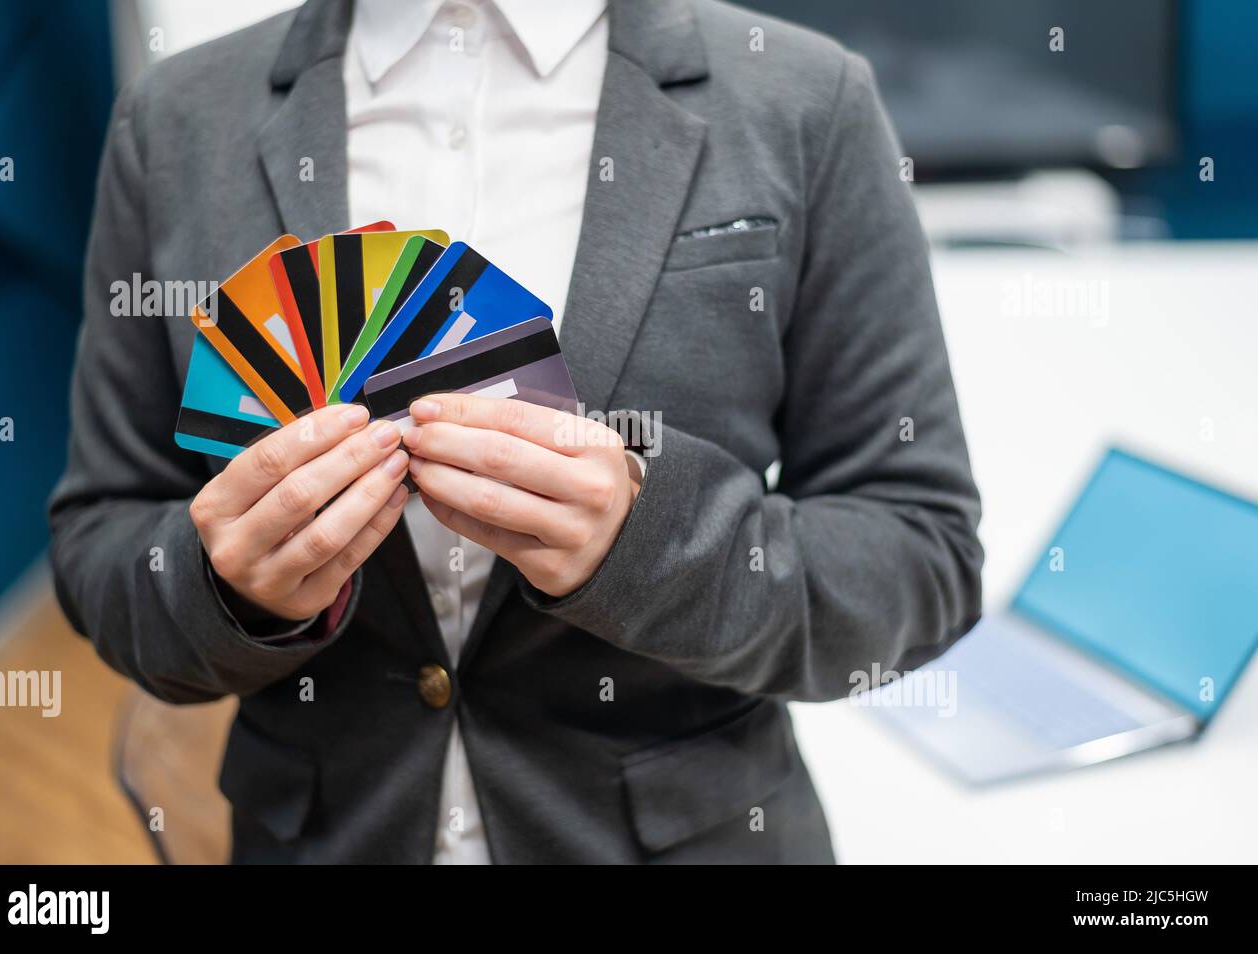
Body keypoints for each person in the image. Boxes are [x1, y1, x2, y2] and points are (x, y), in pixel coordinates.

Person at [49, 0, 983, 864]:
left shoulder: (805, 100)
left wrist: (649, 543)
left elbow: (919, 558)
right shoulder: (174, 119)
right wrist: (229, 592)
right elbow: (102, 540)